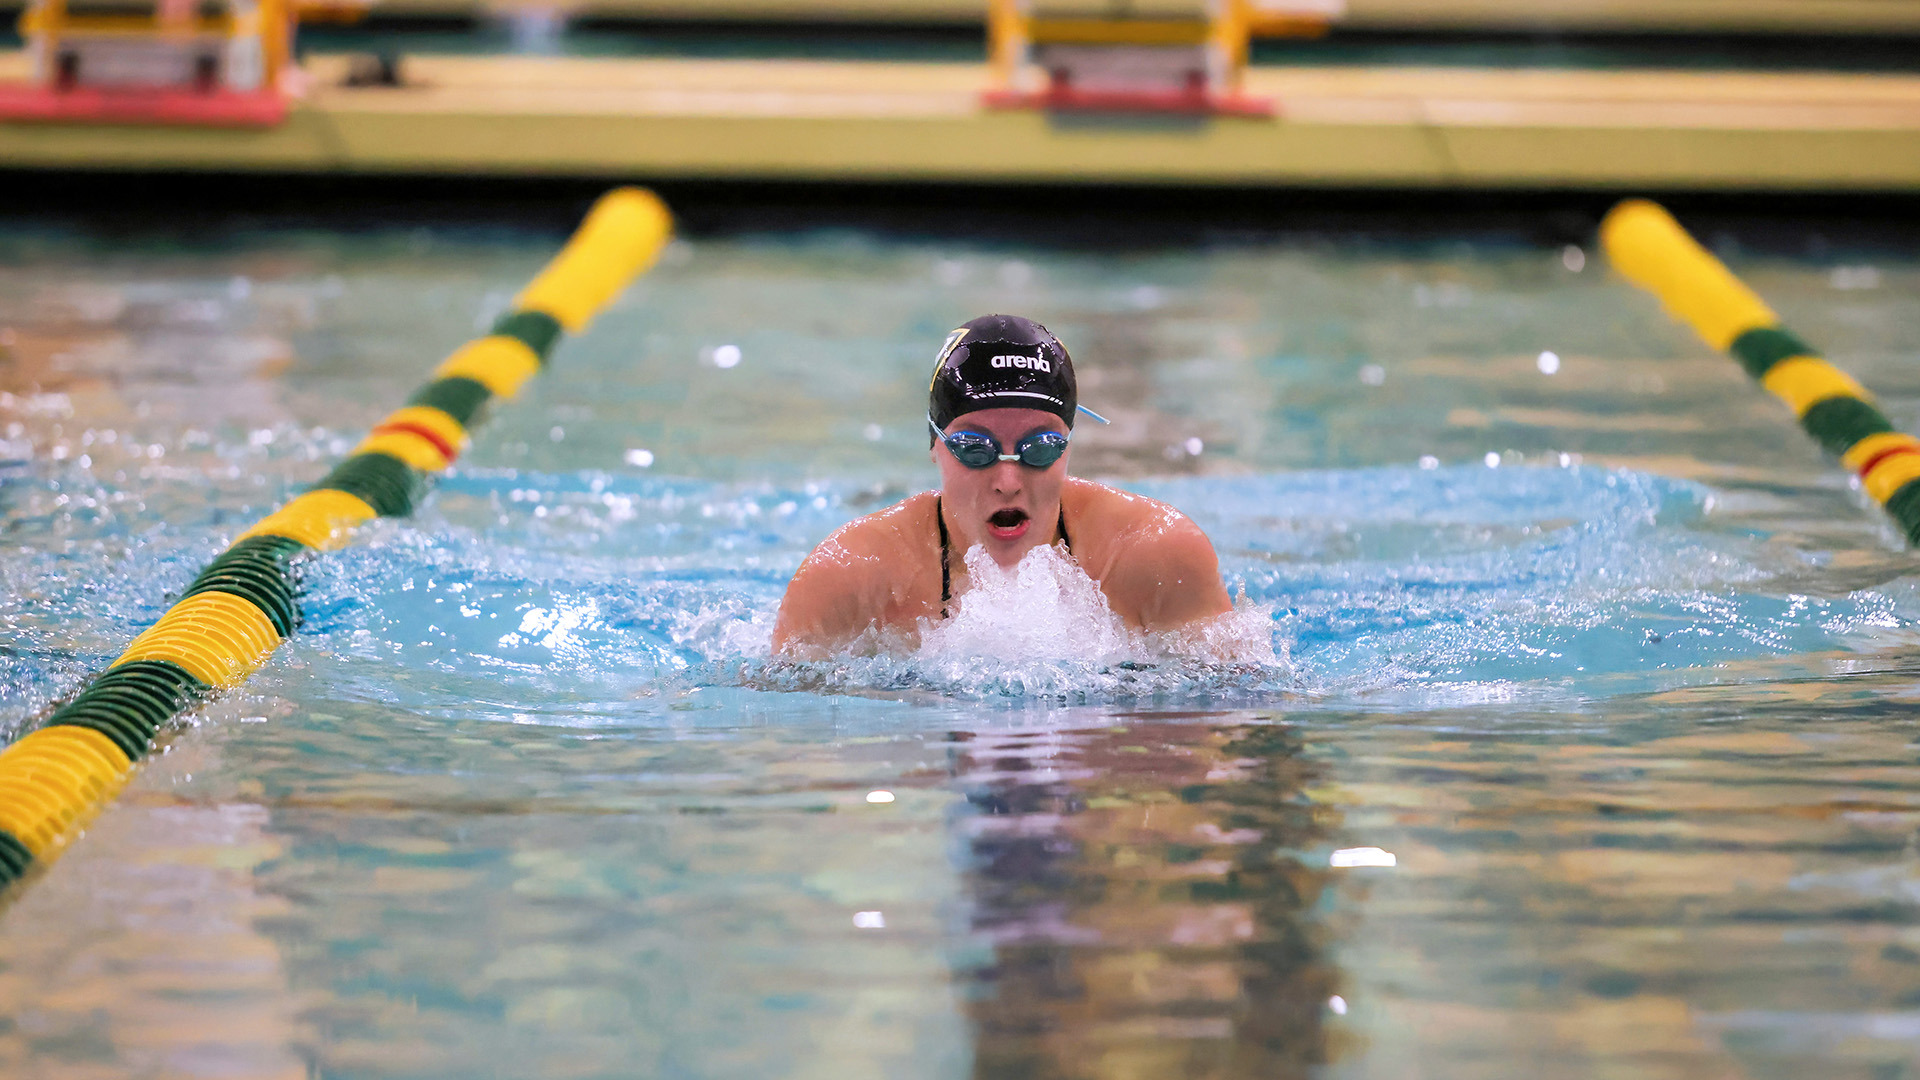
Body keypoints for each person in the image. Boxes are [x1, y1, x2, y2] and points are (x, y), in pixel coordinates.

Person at [770, 313, 1232, 657]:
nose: (1008, 482)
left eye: (1040, 448)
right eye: (974, 448)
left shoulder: (1156, 556)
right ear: (935, 447)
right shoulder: (851, 576)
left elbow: (1234, 728)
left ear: (1068, 448)